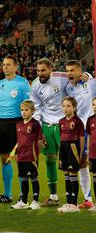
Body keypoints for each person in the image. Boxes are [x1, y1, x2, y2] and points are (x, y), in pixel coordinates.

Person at [30, 58, 68, 206]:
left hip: (63, 125)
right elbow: (36, 107)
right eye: (38, 71)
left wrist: (87, 75)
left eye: (43, 70)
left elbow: (76, 77)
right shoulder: (35, 84)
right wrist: (40, 129)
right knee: (50, 159)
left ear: (51, 69)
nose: (40, 74)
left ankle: (76, 197)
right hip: (46, 124)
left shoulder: (61, 78)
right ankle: (53, 196)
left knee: (67, 161)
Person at [65, 60, 96, 209]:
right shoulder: (68, 88)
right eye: (67, 71)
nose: (69, 73)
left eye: (72, 70)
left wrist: (89, 76)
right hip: (78, 130)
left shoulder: (91, 83)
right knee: (81, 163)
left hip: (94, 129)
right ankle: (88, 198)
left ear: (80, 71)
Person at [0, 56, 30, 203]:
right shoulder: (1, 84)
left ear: (15, 67)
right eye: (4, 65)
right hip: (1, 123)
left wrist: (25, 124)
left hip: (17, 123)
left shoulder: (23, 83)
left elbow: (29, 105)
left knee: (20, 158)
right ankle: (7, 194)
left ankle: (23, 196)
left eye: (8, 65)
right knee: (5, 159)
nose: (5, 67)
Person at [10, 101, 42, 210]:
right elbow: (19, 141)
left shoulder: (35, 124)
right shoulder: (18, 124)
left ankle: (36, 201)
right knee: (23, 178)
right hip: (21, 157)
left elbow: (40, 140)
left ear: (33, 111)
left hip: (31, 157)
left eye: (26, 110)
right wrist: (15, 152)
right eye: (22, 110)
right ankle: (23, 201)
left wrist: (37, 155)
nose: (24, 112)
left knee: (33, 178)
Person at [56, 97, 85, 213]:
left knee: (72, 174)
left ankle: (74, 204)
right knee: (66, 174)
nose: (65, 108)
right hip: (63, 148)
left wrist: (80, 153)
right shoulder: (61, 121)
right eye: (64, 106)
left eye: (68, 106)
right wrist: (59, 154)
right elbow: (60, 138)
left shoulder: (77, 121)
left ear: (74, 107)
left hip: (73, 148)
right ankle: (68, 203)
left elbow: (82, 139)